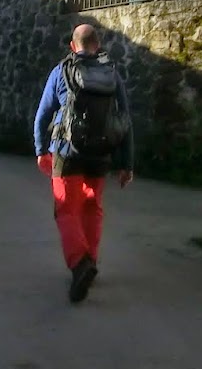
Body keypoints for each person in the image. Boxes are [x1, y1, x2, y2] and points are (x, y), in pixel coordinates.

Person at [32, 24, 135, 303]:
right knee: (92, 207)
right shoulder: (112, 73)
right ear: (98, 45)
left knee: (66, 210)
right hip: (101, 155)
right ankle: (91, 258)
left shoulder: (61, 72)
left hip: (67, 153)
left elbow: (43, 116)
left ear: (71, 46)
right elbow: (125, 122)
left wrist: (42, 150)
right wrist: (127, 164)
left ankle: (80, 265)